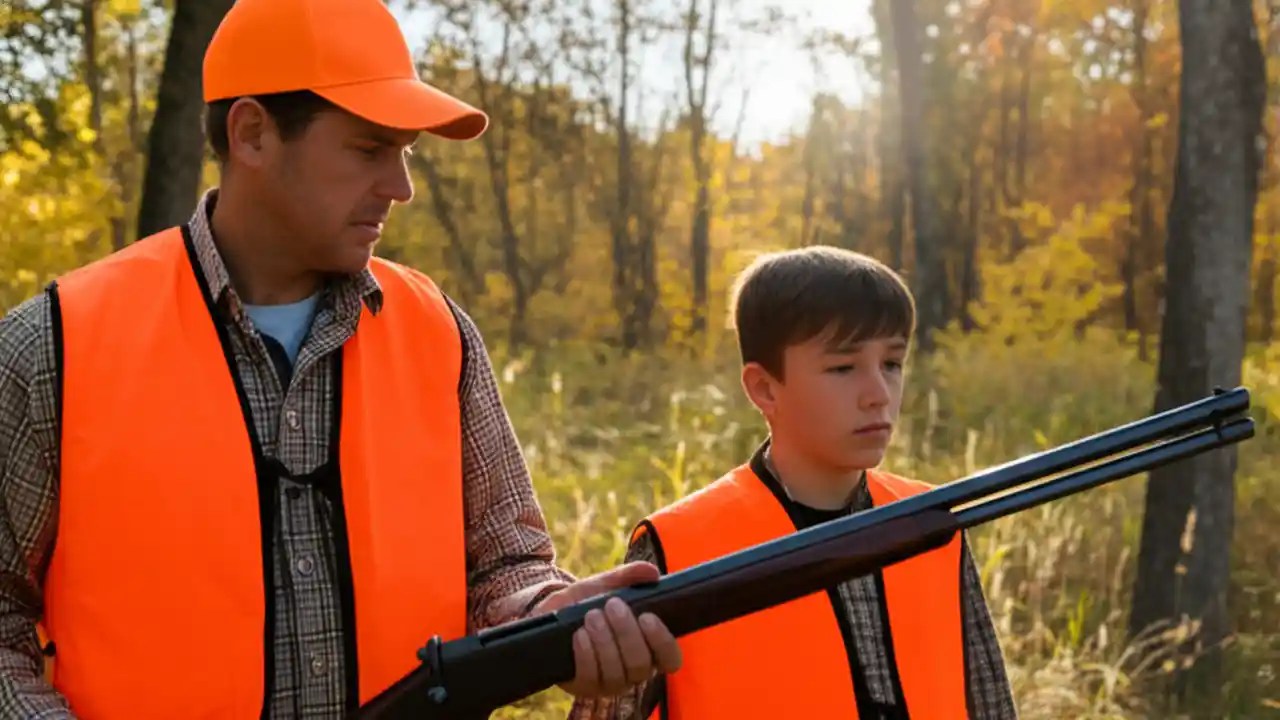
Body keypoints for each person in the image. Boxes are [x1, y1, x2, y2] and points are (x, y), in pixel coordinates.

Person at [0, 0, 680, 717]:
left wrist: (553, 621)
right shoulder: (55, 345)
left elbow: (506, 570)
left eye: (406, 152)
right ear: (253, 133)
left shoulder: (439, 334)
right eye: (369, 149)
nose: (402, 186)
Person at [570, 246, 1018, 719]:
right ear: (764, 389)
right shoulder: (679, 550)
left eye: (891, 363)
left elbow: (989, 704)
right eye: (843, 368)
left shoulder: (930, 524)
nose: (878, 395)